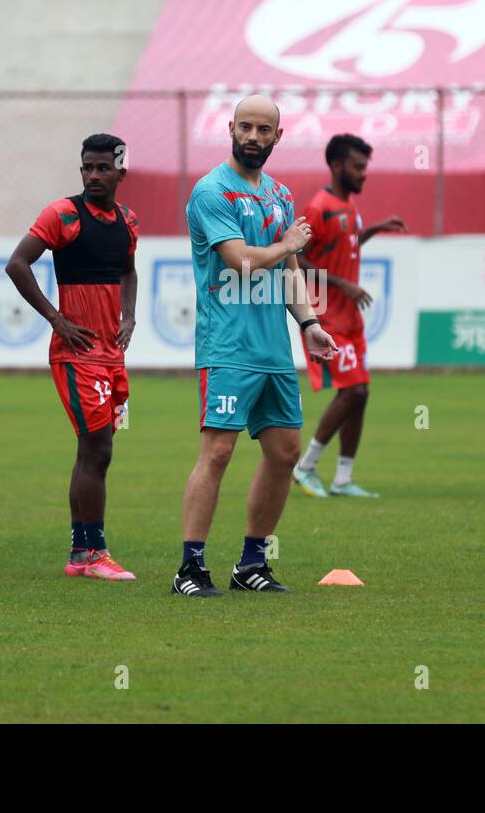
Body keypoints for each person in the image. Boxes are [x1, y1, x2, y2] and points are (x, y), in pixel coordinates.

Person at [174, 95, 337, 597]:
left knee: (285, 451)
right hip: (227, 347)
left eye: (264, 130)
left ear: (277, 137)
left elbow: (287, 270)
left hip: (273, 350)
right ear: (230, 128)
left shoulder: (279, 195)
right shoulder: (212, 192)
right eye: (246, 127)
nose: (253, 137)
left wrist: (308, 322)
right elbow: (242, 260)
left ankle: (251, 565)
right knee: (218, 451)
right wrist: (289, 244)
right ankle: (191, 570)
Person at [7, 134, 140, 580]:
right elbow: (17, 264)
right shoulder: (62, 214)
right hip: (76, 353)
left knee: (97, 452)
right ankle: (92, 552)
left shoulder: (128, 220)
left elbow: (127, 270)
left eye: (103, 168)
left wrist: (130, 314)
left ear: (122, 171)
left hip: (111, 356)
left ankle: (81, 553)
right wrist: (55, 319)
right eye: (87, 167)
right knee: (96, 447)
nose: (93, 175)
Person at [292, 133, 407, 499]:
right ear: (338, 165)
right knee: (352, 390)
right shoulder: (319, 207)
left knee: (361, 393)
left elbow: (347, 244)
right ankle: (305, 466)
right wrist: (343, 284)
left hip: (350, 320)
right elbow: (296, 258)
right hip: (327, 316)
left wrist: (375, 227)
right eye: (358, 166)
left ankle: (343, 478)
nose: (364, 173)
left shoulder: (350, 207)